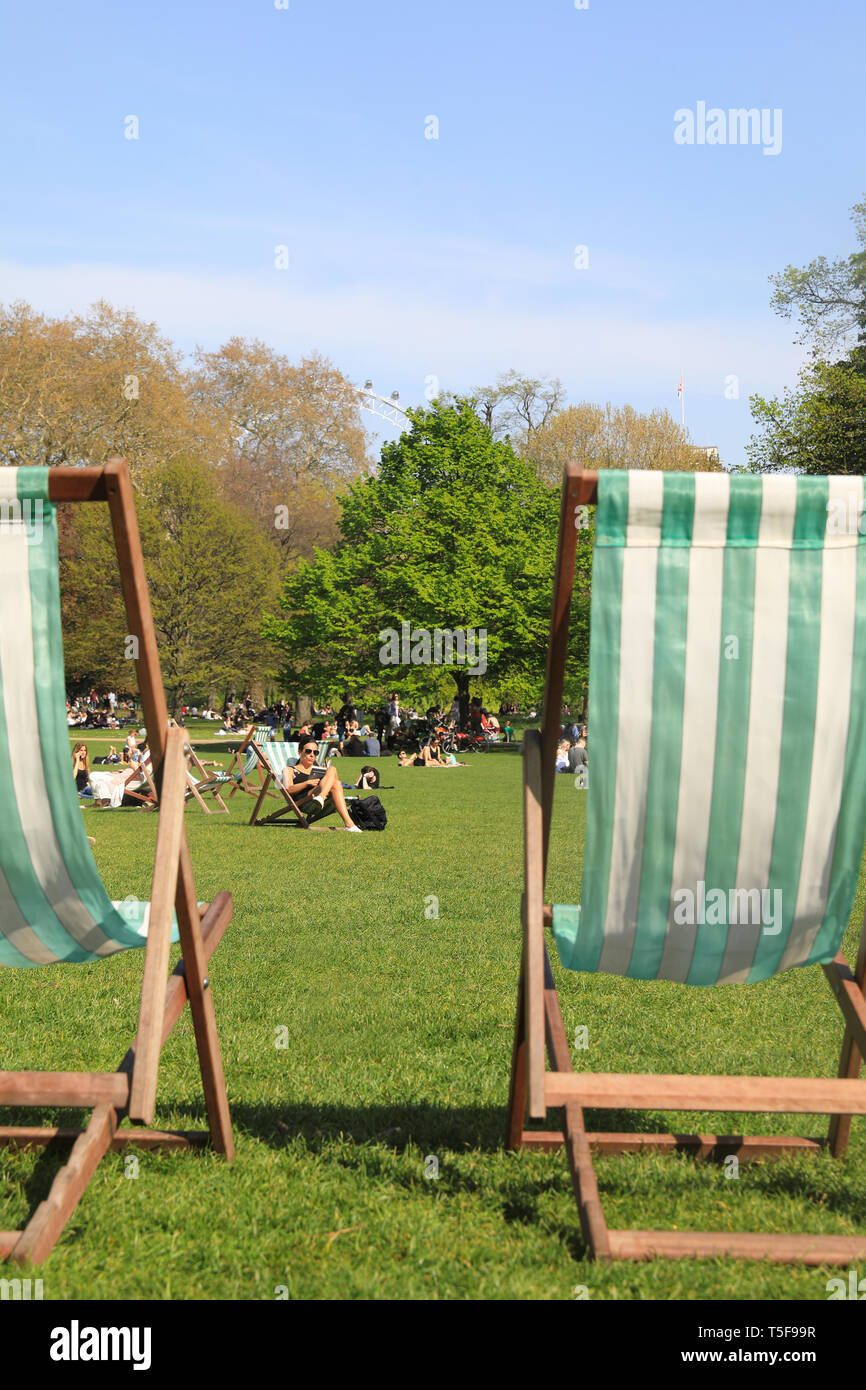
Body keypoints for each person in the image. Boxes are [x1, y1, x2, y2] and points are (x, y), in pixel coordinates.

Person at [283, 740, 362, 831]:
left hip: (319, 799)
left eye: (315, 752)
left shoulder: (318, 769)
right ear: (300, 752)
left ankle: (349, 824)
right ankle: (323, 797)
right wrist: (307, 783)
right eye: (308, 751)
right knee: (333, 773)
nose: (312, 755)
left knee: (334, 778)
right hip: (304, 801)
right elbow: (288, 789)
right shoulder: (290, 769)